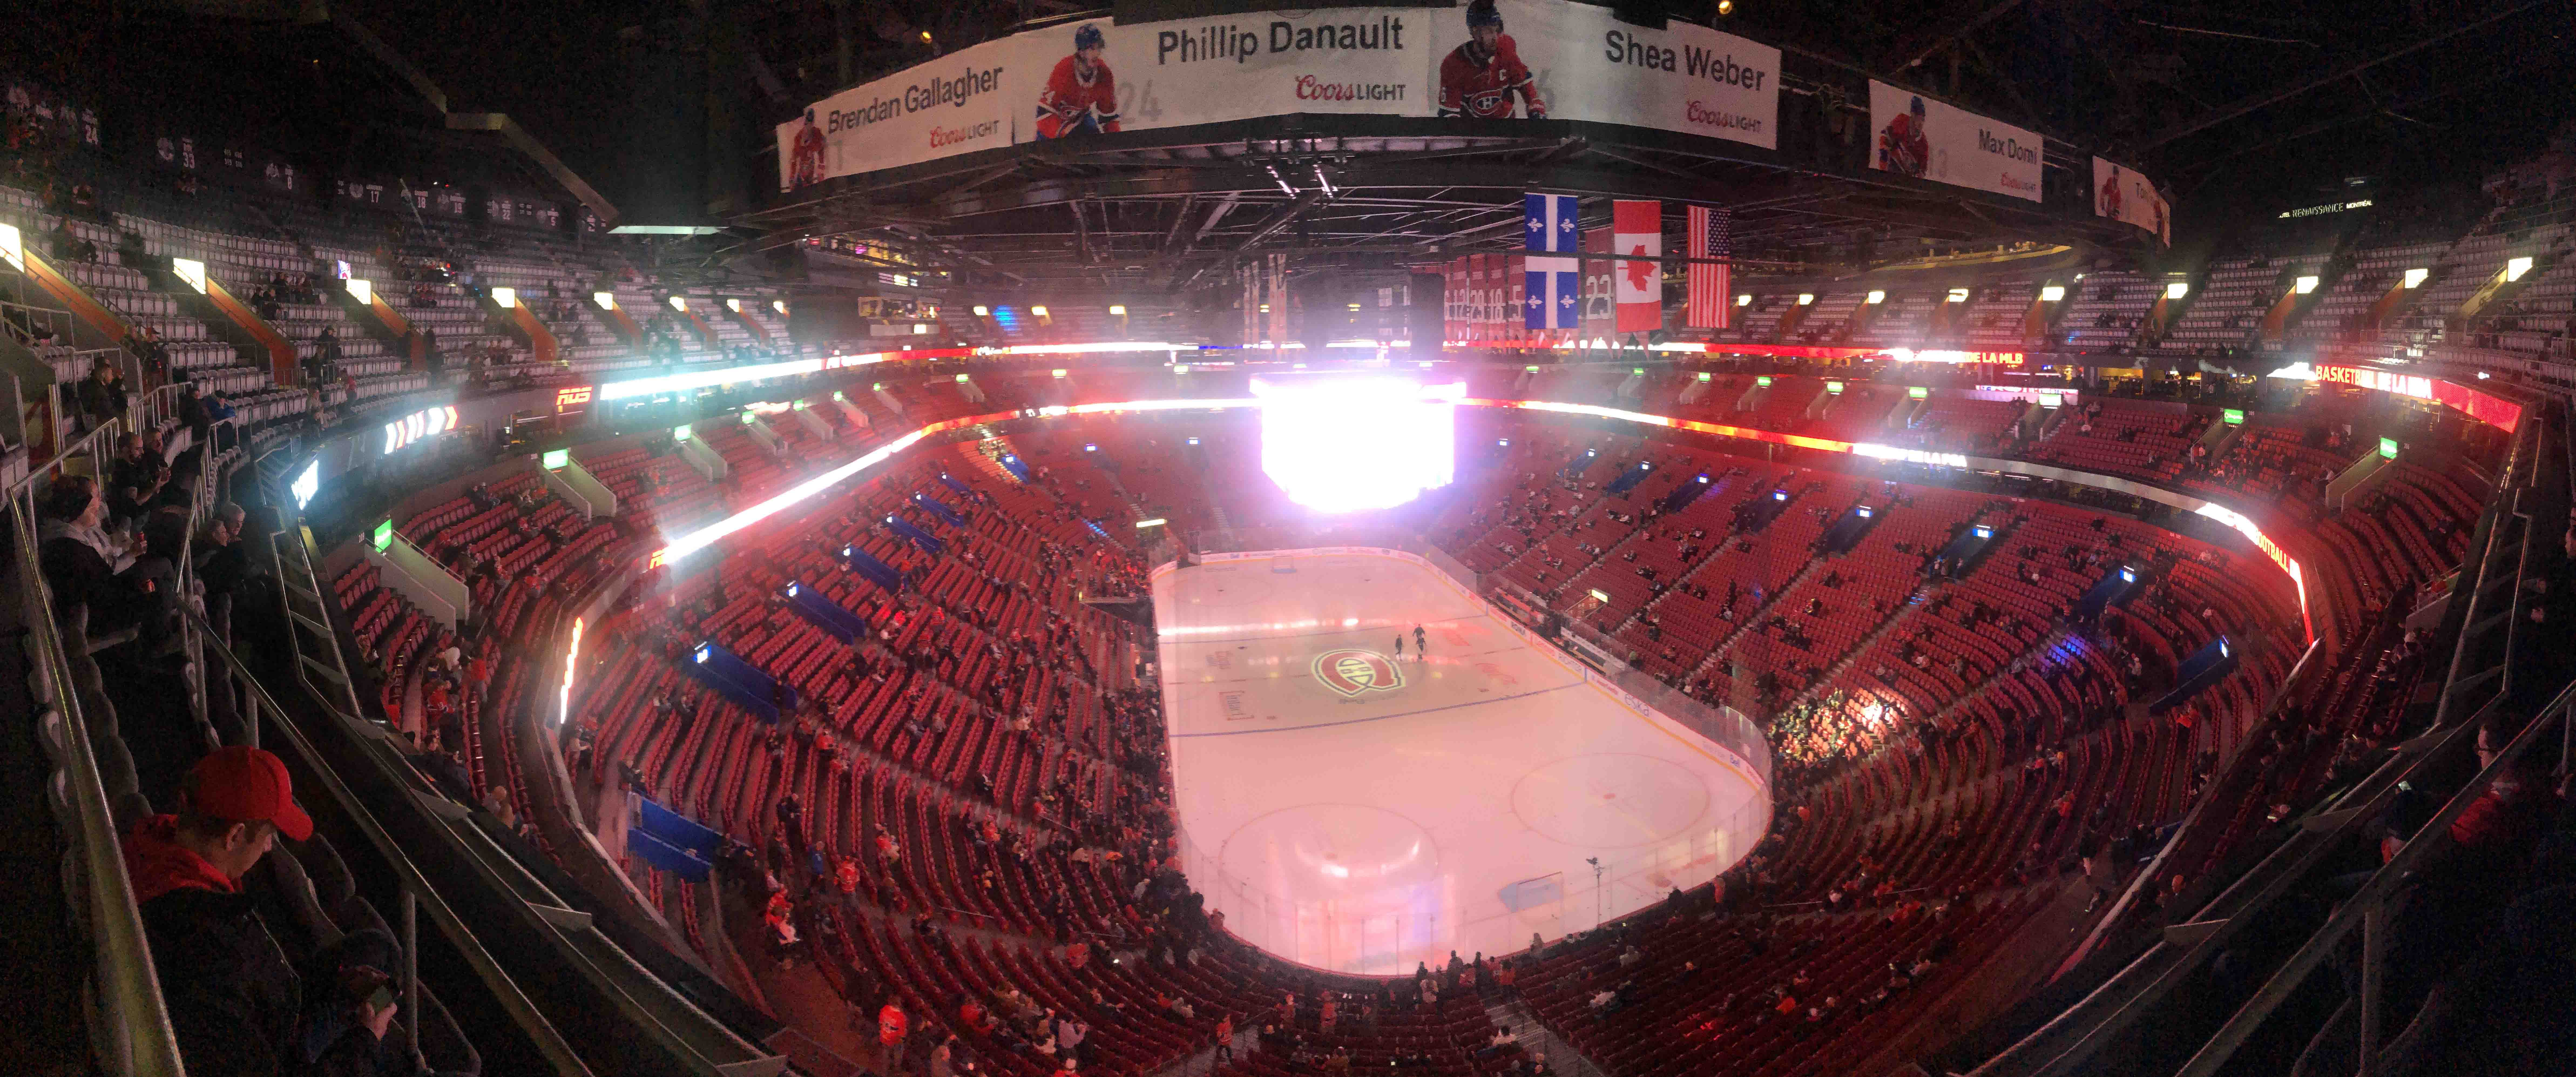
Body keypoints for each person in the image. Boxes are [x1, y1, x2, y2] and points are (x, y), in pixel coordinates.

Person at [122, 745, 318, 1076]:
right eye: (269, 835)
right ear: (235, 835)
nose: (269, 847)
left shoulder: (144, 846)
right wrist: (365, 1041)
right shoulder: (211, 943)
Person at [1438, 0, 1544, 119]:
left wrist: (1536, 109)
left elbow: (1524, 83)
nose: (1495, 37)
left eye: (1497, 30)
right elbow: (1449, 114)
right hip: (1471, 128)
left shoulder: (1506, 48)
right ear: (1475, 32)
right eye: (1489, 31)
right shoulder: (1454, 64)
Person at [1035, 25, 1120, 139]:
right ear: (1081, 51)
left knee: (1095, 140)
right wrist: (1063, 134)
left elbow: (1109, 117)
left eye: (1099, 48)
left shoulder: (1104, 74)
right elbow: (1043, 114)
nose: (1097, 53)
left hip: (1081, 119)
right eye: (1092, 48)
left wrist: (1117, 142)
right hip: (1056, 122)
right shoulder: (1064, 70)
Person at [1878, 95, 1931, 177]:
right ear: (1913, 115)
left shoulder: (1923, 144)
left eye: (1923, 119)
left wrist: (1915, 169)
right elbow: (1885, 138)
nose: (1921, 123)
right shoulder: (1902, 120)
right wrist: (1883, 170)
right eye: (1919, 118)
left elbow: (1922, 174)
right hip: (1891, 168)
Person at [880, 998, 910, 1072]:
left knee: (886, 1052)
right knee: (898, 1053)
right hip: (895, 1040)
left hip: (885, 1036)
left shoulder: (885, 1010)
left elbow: (881, 1022)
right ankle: (897, 1069)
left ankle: (885, 1069)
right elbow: (903, 1033)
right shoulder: (901, 1017)